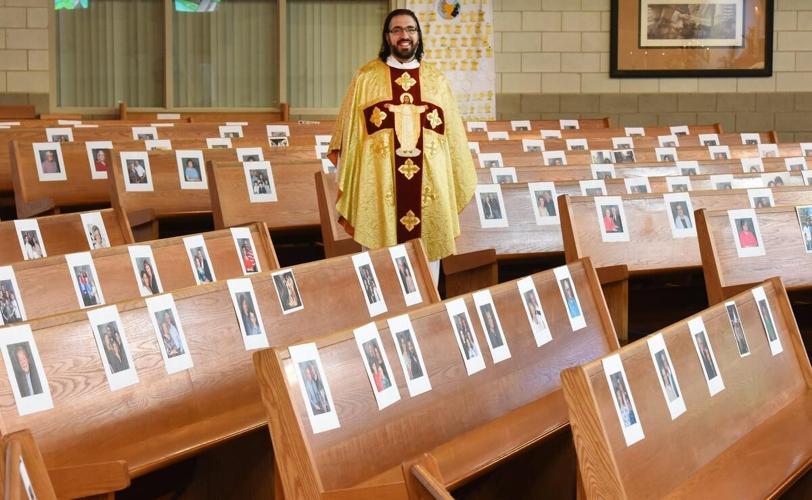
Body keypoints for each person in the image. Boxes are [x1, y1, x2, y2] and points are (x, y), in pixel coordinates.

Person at [327, 9, 476, 284]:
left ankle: (425, 316)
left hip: (428, 190)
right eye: (397, 30)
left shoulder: (437, 81)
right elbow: (346, 138)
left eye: (410, 29)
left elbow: (453, 143)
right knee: (381, 276)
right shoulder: (366, 78)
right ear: (387, 37)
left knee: (426, 280)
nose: (404, 35)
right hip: (380, 189)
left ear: (418, 35)